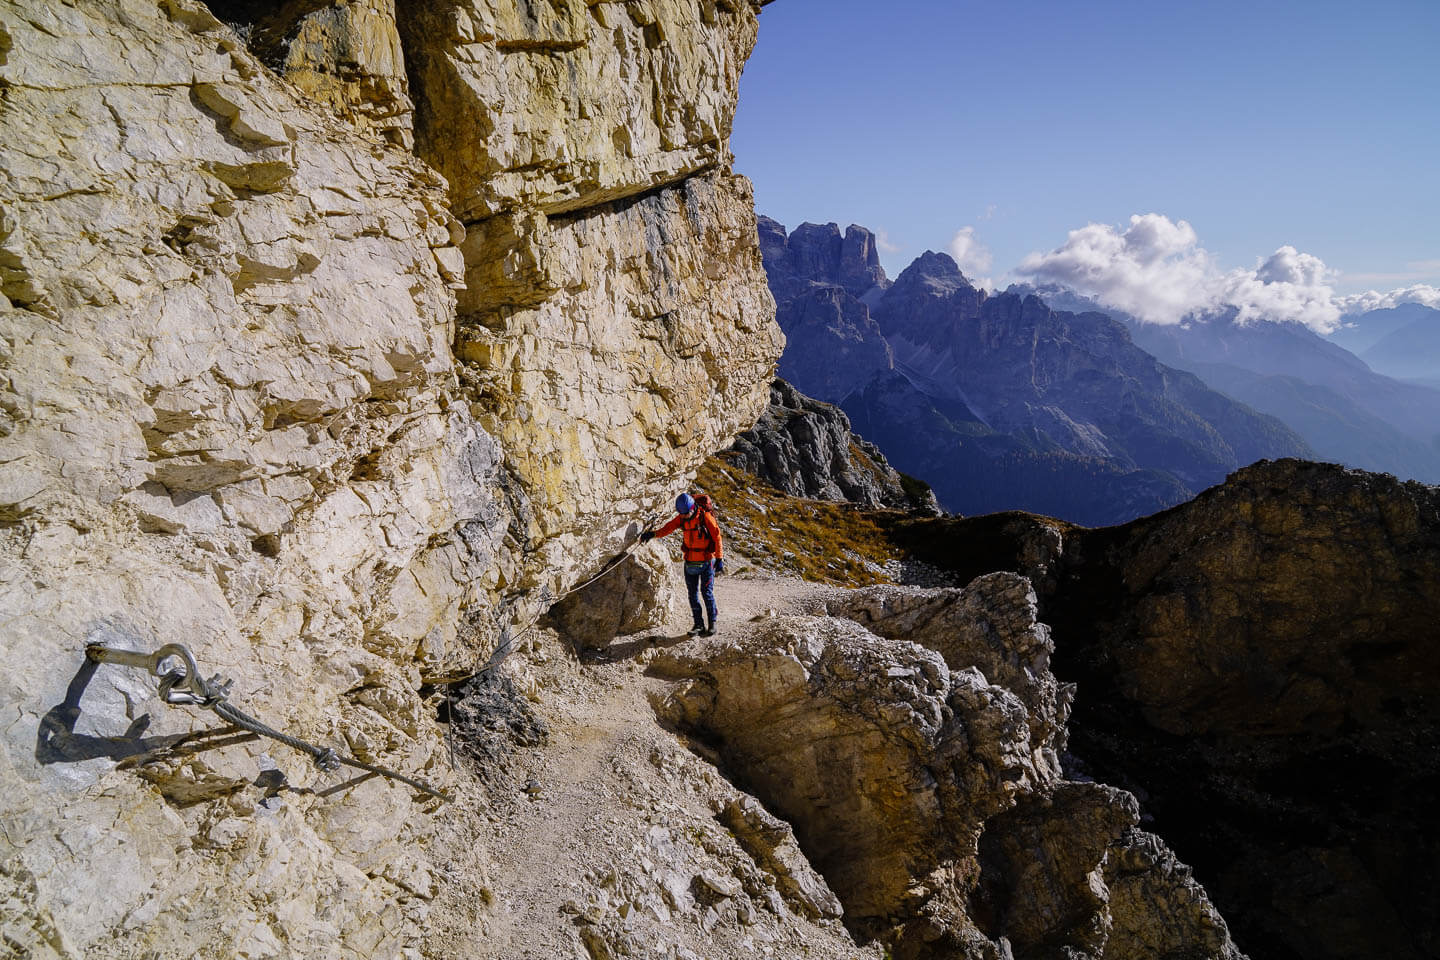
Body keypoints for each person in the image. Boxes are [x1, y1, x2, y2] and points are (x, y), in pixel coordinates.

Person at [640, 493, 725, 636]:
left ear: (693, 508)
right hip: (690, 561)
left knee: (706, 593)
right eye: (681, 514)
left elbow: (717, 537)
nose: (683, 516)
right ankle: (698, 625)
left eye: (686, 514)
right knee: (692, 595)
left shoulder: (705, 517)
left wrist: (719, 558)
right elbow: (668, 528)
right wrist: (652, 534)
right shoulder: (682, 518)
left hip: (706, 561)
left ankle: (712, 623)